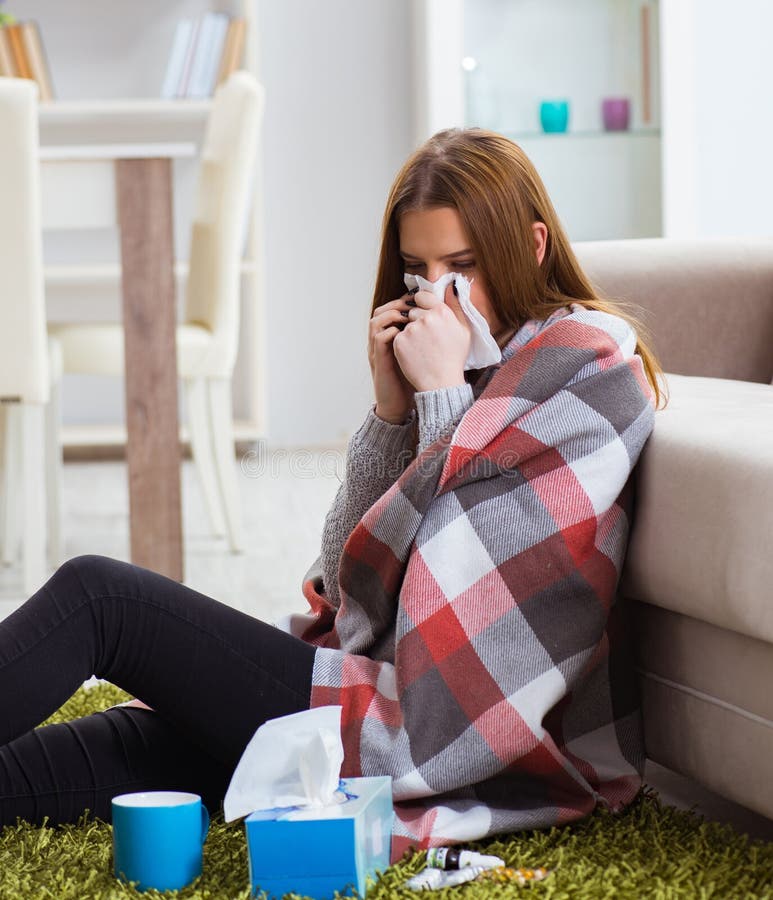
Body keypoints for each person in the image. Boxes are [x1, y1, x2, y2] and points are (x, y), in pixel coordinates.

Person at [0, 128, 660, 862]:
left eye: (463, 267)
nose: (438, 294)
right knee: (110, 751)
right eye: (417, 269)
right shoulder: (474, 368)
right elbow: (340, 576)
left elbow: (444, 601)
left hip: (432, 725)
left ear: (531, 247)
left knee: (103, 598)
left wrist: (441, 400)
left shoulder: (587, 378)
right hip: (355, 687)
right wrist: (389, 414)